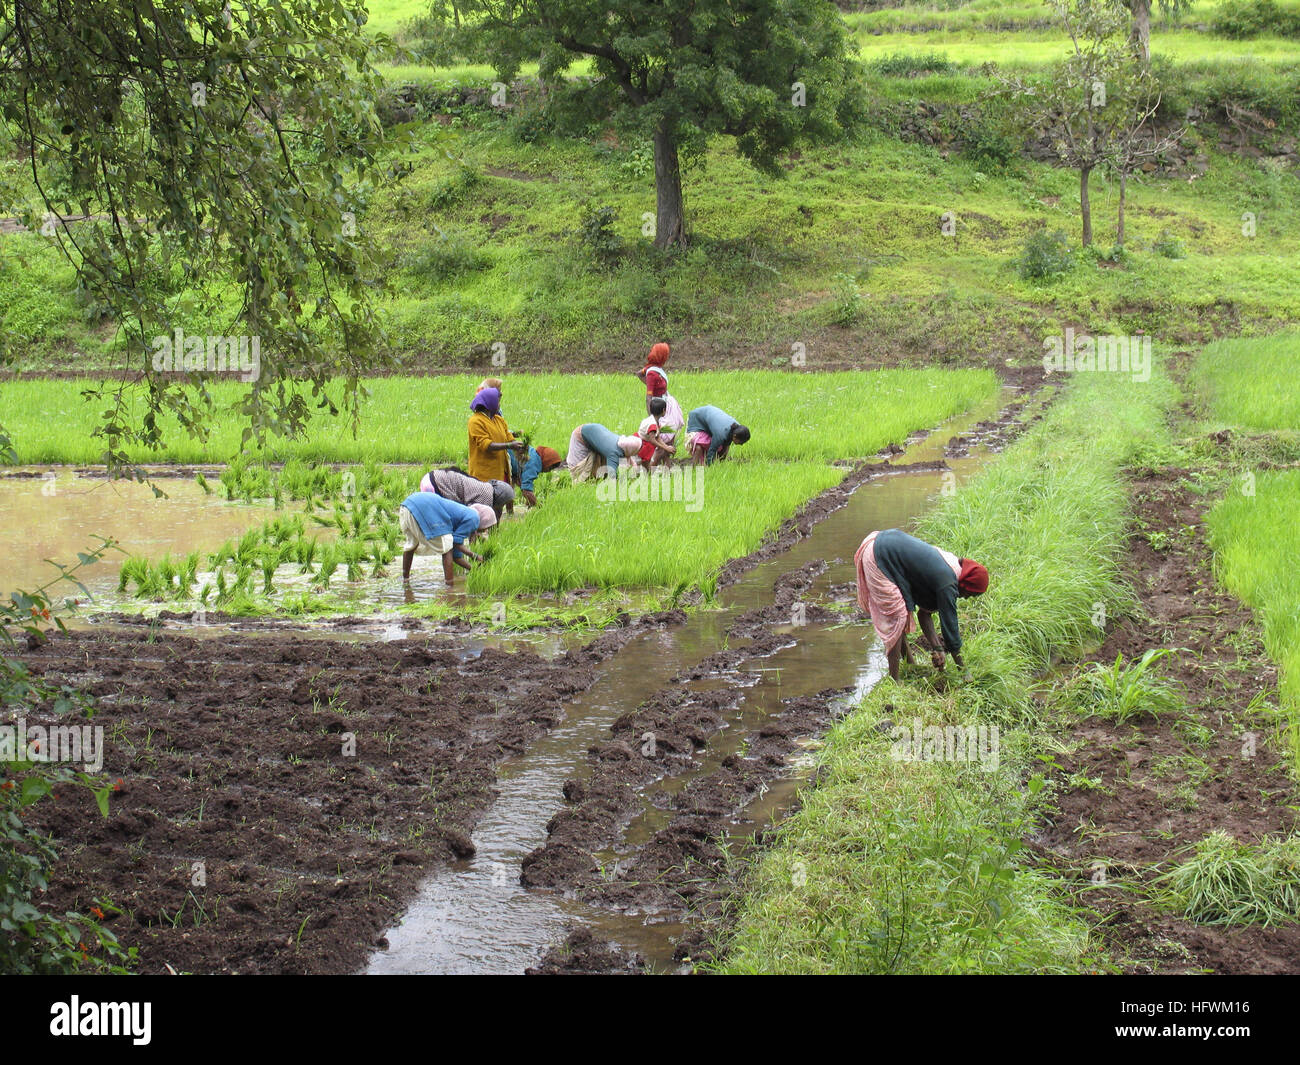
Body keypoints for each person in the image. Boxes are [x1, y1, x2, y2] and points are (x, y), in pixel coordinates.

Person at [853, 528, 989, 681]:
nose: (965, 598)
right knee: (896, 616)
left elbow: (924, 615)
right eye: (970, 594)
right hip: (878, 555)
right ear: (966, 585)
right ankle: (894, 681)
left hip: (884, 544)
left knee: (901, 611)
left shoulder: (951, 566)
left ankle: (910, 665)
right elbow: (950, 627)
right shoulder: (948, 583)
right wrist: (963, 670)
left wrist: (937, 649)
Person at [399, 490, 482, 585]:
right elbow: (454, 543)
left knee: (411, 543)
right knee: (447, 548)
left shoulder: (462, 518)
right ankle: (449, 587)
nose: (483, 531)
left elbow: (456, 556)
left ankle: (405, 580)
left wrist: (475, 570)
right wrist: (475, 556)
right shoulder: (474, 518)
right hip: (423, 506)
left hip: (407, 505)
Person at [468, 386, 526, 483]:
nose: (499, 405)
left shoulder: (498, 420)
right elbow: (486, 445)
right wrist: (510, 445)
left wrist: (519, 447)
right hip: (484, 475)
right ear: (490, 403)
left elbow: (508, 437)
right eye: (498, 402)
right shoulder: (475, 421)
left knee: (504, 496)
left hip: (501, 471)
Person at [422, 465, 514, 519]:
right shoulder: (486, 499)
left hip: (428, 479)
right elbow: (472, 518)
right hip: (438, 483)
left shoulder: (484, 487)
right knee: (452, 517)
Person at [566, 423, 642, 482]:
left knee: (600, 468)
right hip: (580, 435)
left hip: (592, 431)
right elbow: (612, 476)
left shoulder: (622, 442)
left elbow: (628, 456)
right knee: (580, 473)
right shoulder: (613, 453)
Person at [685, 405, 750, 465]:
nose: (741, 444)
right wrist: (709, 465)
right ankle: (694, 463)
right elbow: (712, 450)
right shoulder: (720, 434)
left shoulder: (737, 427)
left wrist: (722, 460)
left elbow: (727, 443)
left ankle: (717, 462)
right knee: (701, 444)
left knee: (723, 447)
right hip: (697, 418)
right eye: (741, 442)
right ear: (735, 436)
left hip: (710, 417)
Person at [636, 397, 679, 468]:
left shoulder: (654, 420)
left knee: (644, 466)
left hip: (642, 443)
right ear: (663, 410)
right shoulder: (652, 424)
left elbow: (658, 437)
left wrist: (666, 447)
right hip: (643, 446)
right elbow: (652, 440)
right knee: (644, 466)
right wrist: (665, 448)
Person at [635, 342, 670, 414]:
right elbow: (648, 398)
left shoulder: (653, 368)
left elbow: (639, 373)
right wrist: (651, 418)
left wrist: (654, 386)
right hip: (658, 408)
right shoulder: (652, 374)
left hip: (664, 404)